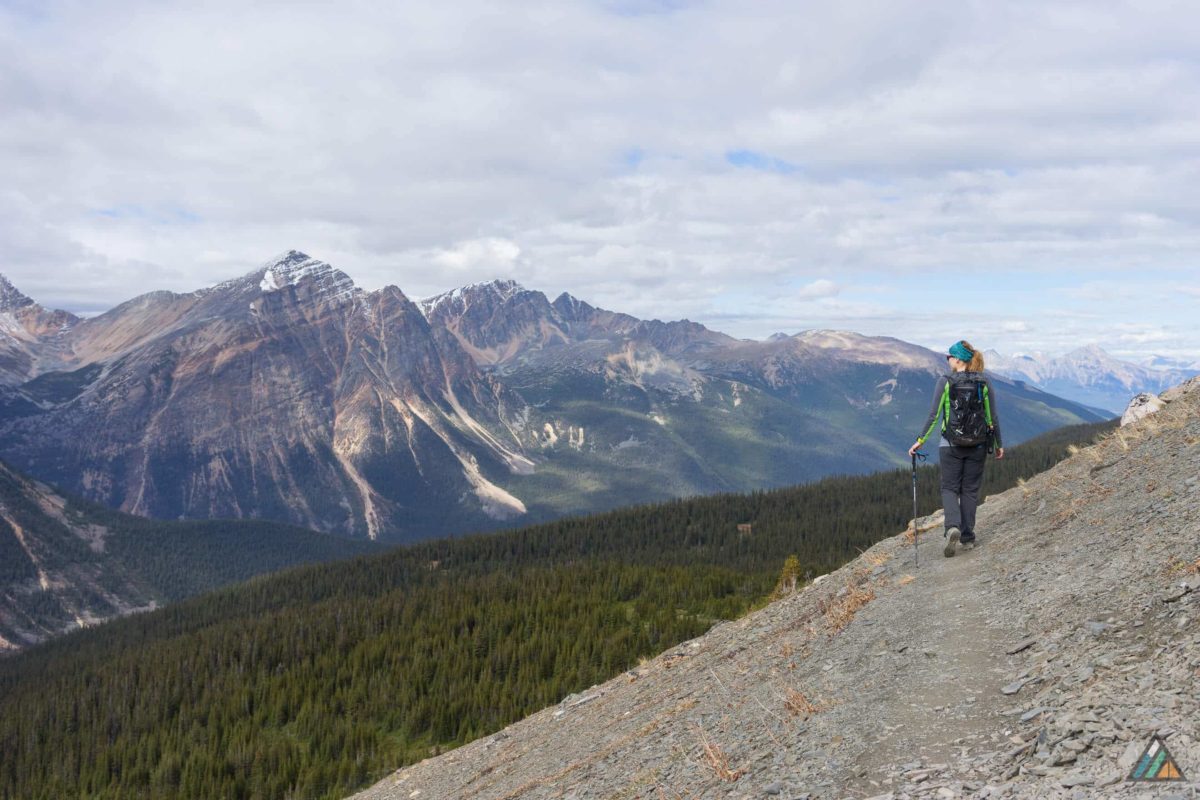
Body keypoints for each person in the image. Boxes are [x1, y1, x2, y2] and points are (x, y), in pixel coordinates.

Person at [907, 340, 1004, 557]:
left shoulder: (946, 381)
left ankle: (952, 527)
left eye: (949, 356)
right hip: (978, 444)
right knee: (969, 490)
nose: (948, 360)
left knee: (950, 488)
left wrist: (920, 440)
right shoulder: (984, 382)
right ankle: (968, 537)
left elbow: (934, 415)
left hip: (950, 444)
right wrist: (998, 443)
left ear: (959, 359)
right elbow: (992, 417)